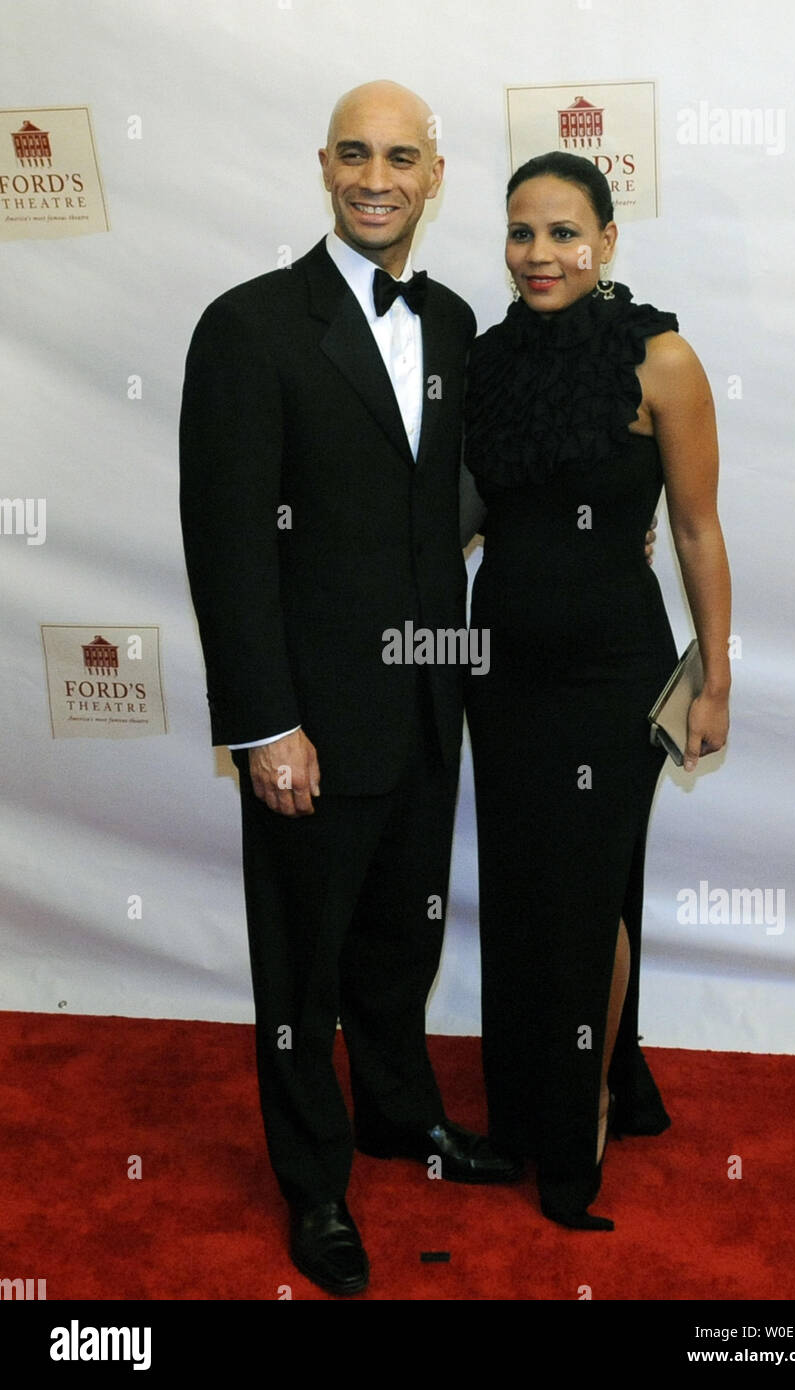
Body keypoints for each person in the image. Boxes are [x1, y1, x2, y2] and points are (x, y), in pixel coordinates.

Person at [178, 80, 521, 1299]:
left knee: (398, 945)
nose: (377, 178)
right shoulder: (250, 326)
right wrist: (265, 724)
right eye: (354, 156)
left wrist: (597, 520)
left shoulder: (457, 321)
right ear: (324, 167)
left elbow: (455, 499)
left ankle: (397, 1119)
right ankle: (315, 1183)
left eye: (401, 159)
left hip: (429, 703)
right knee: (301, 968)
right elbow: (226, 544)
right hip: (311, 725)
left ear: (435, 176)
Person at [462, 152, 731, 1231]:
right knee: (529, 895)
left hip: (612, 671)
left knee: (579, 898)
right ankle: (534, 1102)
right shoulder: (482, 362)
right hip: (502, 671)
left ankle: (583, 1115)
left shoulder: (658, 361)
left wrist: (713, 677)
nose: (539, 254)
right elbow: (465, 519)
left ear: (607, 240)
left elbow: (698, 528)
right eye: (521, 232)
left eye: (563, 232)